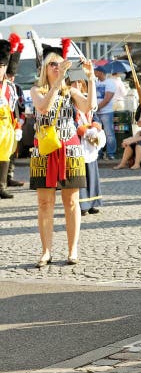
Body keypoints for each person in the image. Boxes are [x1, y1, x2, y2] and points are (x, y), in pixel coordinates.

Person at [30, 43, 97, 267]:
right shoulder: (36, 90)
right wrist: (57, 84)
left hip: (70, 149)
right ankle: (46, 251)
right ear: (45, 69)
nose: (57, 67)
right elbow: (43, 108)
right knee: (44, 202)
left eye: (60, 64)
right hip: (45, 150)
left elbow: (89, 107)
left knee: (71, 201)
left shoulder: (72, 91)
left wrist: (91, 78)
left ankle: (72, 249)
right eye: (53, 64)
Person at [73, 79, 105, 215]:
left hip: (89, 141)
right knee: (80, 175)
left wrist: (95, 128)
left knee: (92, 173)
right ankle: (82, 205)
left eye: (80, 83)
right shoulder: (69, 102)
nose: (77, 86)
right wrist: (83, 131)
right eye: (74, 83)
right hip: (77, 140)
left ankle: (92, 202)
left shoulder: (87, 100)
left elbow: (96, 118)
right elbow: (68, 121)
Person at [0, 38, 22, 199]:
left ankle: (1, 186)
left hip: (6, 125)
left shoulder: (9, 86)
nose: (1, 69)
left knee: (5, 154)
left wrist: (17, 125)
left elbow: (12, 106)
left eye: (2, 66)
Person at [4, 41, 25, 188]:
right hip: (3, 123)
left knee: (12, 153)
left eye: (13, 75)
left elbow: (21, 107)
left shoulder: (17, 88)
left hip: (14, 123)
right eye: (9, 75)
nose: (12, 78)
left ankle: (9, 176)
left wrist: (21, 122)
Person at [94, 67, 117, 159]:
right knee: (96, 133)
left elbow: (107, 99)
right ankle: (98, 153)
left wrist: (97, 108)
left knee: (109, 133)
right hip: (97, 112)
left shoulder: (110, 82)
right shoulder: (95, 82)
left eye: (95, 72)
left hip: (106, 112)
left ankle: (110, 153)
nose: (94, 73)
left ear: (100, 72)